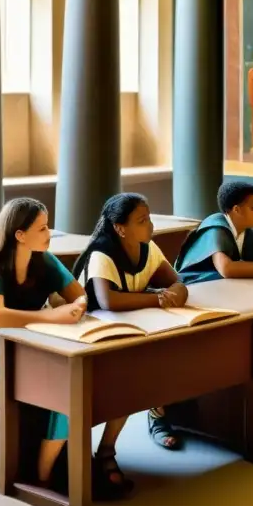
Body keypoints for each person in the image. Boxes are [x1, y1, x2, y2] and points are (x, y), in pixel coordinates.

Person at [0, 198, 131, 498]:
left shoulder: (45, 261)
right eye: (42, 227)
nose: (49, 232)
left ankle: (57, 465)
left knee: (75, 377)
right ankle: (45, 477)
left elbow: (79, 295)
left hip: (29, 345)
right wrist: (51, 315)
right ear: (19, 234)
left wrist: (75, 307)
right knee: (61, 382)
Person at [72, 193, 189, 452]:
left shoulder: (148, 248)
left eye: (149, 219)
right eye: (142, 220)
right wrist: (158, 299)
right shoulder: (102, 253)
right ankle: (105, 449)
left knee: (166, 356)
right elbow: (107, 301)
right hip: (86, 336)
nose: (150, 226)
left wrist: (178, 291)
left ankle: (155, 415)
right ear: (120, 228)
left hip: (131, 328)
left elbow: (175, 280)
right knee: (128, 379)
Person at [174, 181, 253, 284]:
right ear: (237, 210)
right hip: (197, 283)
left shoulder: (249, 231)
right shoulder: (216, 228)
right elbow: (226, 268)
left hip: (226, 285)